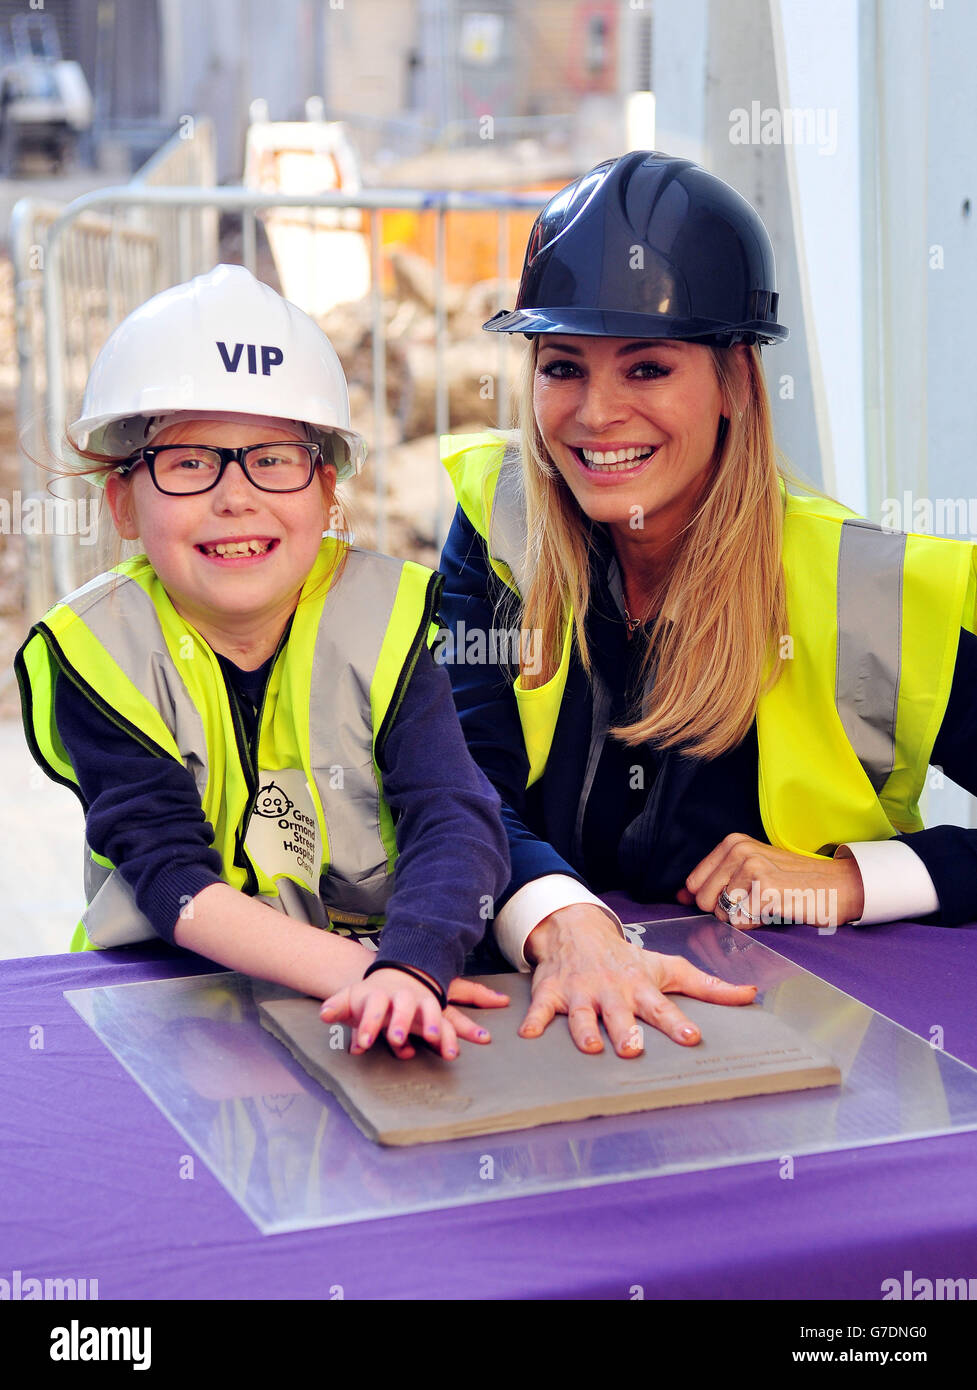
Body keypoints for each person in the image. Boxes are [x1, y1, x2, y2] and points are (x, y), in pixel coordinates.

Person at [437, 151, 977, 1058]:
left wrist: (854, 881)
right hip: (554, 1023)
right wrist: (563, 920)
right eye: (562, 367)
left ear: (734, 383)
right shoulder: (498, 520)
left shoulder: (871, 590)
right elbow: (458, 783)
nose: (594, 414)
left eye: (646, 368)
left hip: (818, 1062)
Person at [17, 264, 511, 1062]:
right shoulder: (97, 652)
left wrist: (415, 962)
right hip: (166, 1005)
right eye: (187, 462)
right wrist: (368, 974)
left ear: (326, 491)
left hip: (379, 990)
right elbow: (169, 870)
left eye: (273, 459)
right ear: (123, 504)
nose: (234, 495)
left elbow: (453, 815)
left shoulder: (384, 624)